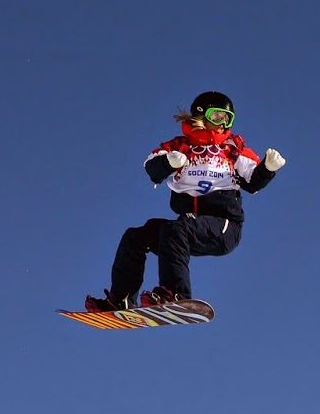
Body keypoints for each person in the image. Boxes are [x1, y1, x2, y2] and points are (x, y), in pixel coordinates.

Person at [86, 91, 285, 312]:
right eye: (218, 117)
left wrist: (268, 168)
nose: (223, 125)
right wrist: (168, 163)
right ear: (201, 116)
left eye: (228, 119)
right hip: (188, 227)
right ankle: (121, 299)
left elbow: (252, 182)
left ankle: (175, 294)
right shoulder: (180, 146)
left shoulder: (232, 149)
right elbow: (152, 168)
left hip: (224, 226)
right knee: (136, 236)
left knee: (176, 229)